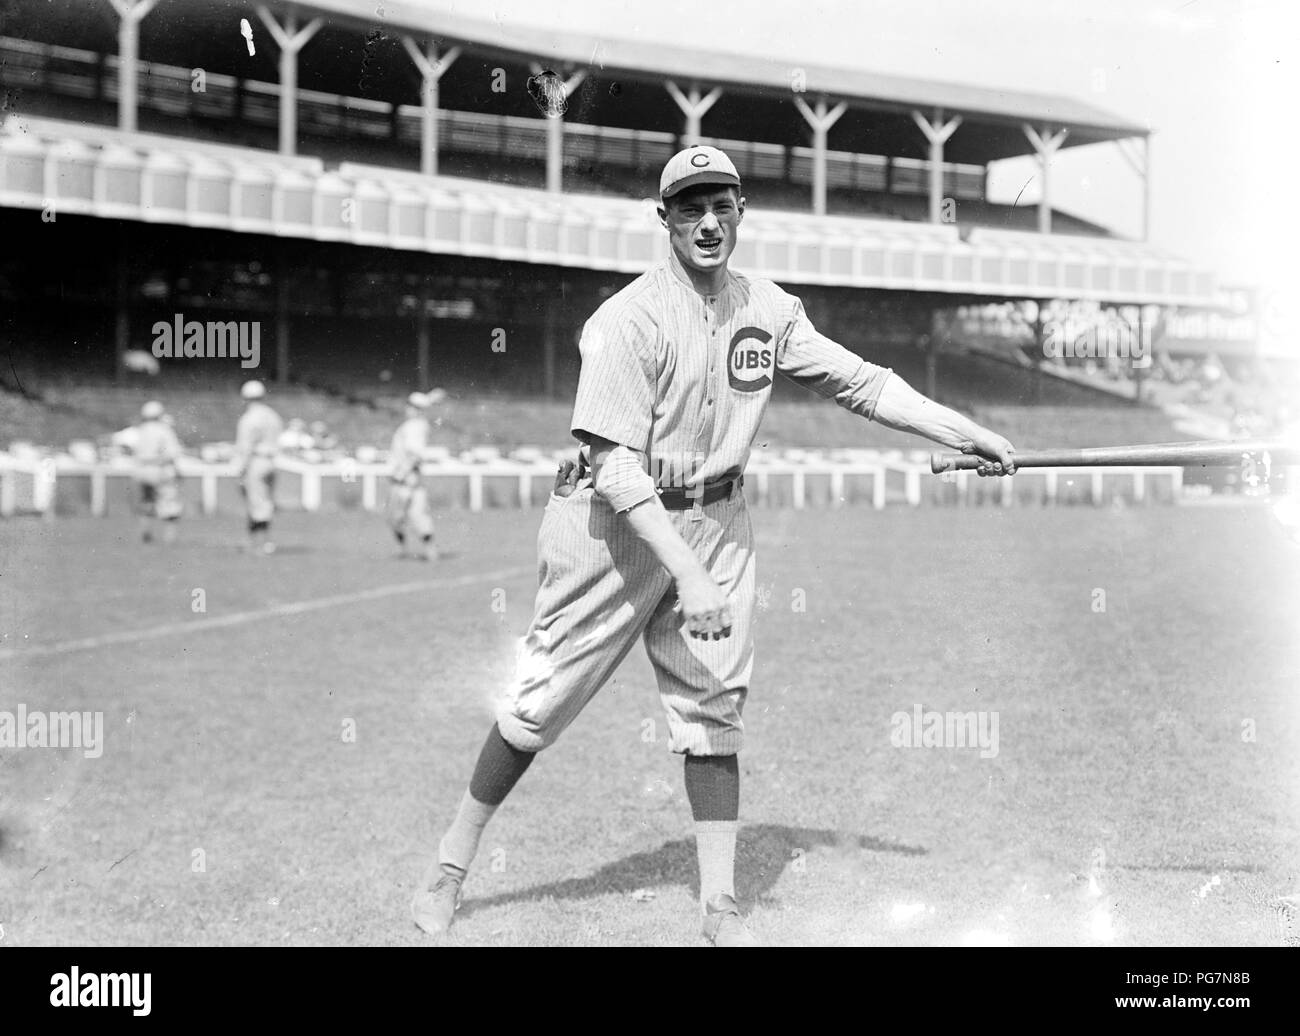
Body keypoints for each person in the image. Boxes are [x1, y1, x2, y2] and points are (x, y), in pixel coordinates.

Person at [411, 145, 1016, 946]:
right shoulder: (625, 319)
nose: (707, 222)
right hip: (614, 529)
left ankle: (719, 906)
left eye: (721, 205)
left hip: (720, 519)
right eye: (689, 207)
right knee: (538, 705)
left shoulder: (769, 308)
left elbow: (862, 383)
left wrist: (966, 430)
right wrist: (686, 572)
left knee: (713, 712)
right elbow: (614, 462)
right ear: (663, 219)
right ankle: (451, 865)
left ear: (740, 213)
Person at [233, 380, 284, 555]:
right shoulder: (273, 415)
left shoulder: (249, 418)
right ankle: (261, 542)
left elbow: (245, 447)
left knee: (257, 504)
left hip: (256, 461)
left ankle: (260, 544)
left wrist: (241, 468)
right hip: (271, 460)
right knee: (265, 502)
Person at [387, 391, 438, 561]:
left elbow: (414, 454)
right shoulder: (418, 425)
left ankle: (411, 549)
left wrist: (403, 473)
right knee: (416, 515)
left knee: (400, 516)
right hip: (411, 477)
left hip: (405, 478)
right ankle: (426, 550)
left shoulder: (413, 427)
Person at [129, 400, 184, 544]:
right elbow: (173, 453)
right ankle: (169, 538)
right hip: (160, 469)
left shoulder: (140, 430)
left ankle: (145, 534)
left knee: (147, 502)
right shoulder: (164, 430)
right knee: (169, 503)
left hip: (142, 470)